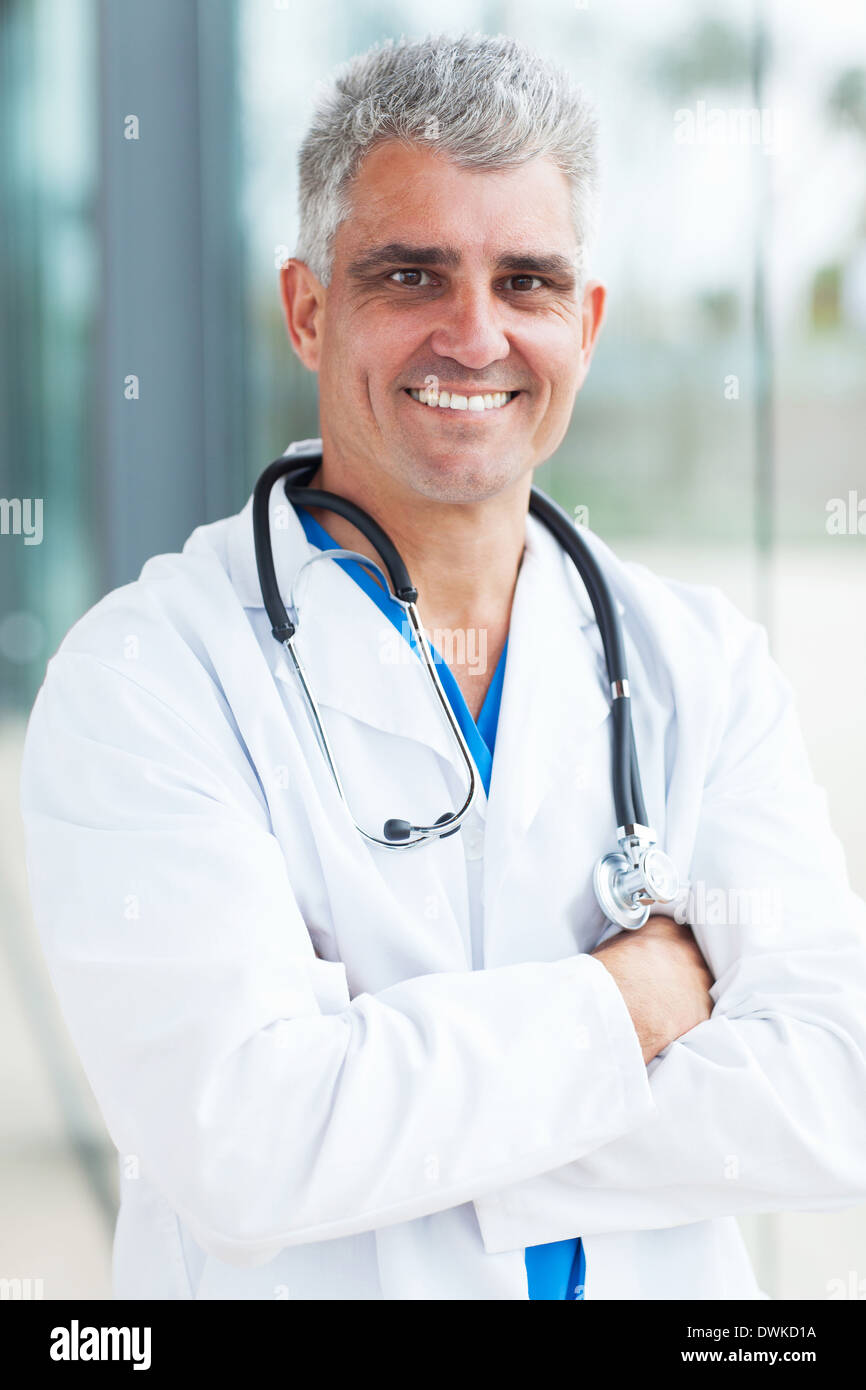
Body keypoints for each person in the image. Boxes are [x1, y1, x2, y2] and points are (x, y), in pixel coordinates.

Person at [20, 32, 866, 1301]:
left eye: (525, 281)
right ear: (309, 310)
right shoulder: (149, 680)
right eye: (411, 274)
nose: (473, 335)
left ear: (580, 324)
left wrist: (395, 1115)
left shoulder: (699, 665)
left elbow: (832, 1084)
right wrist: (622, 1010)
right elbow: (246, 1144)